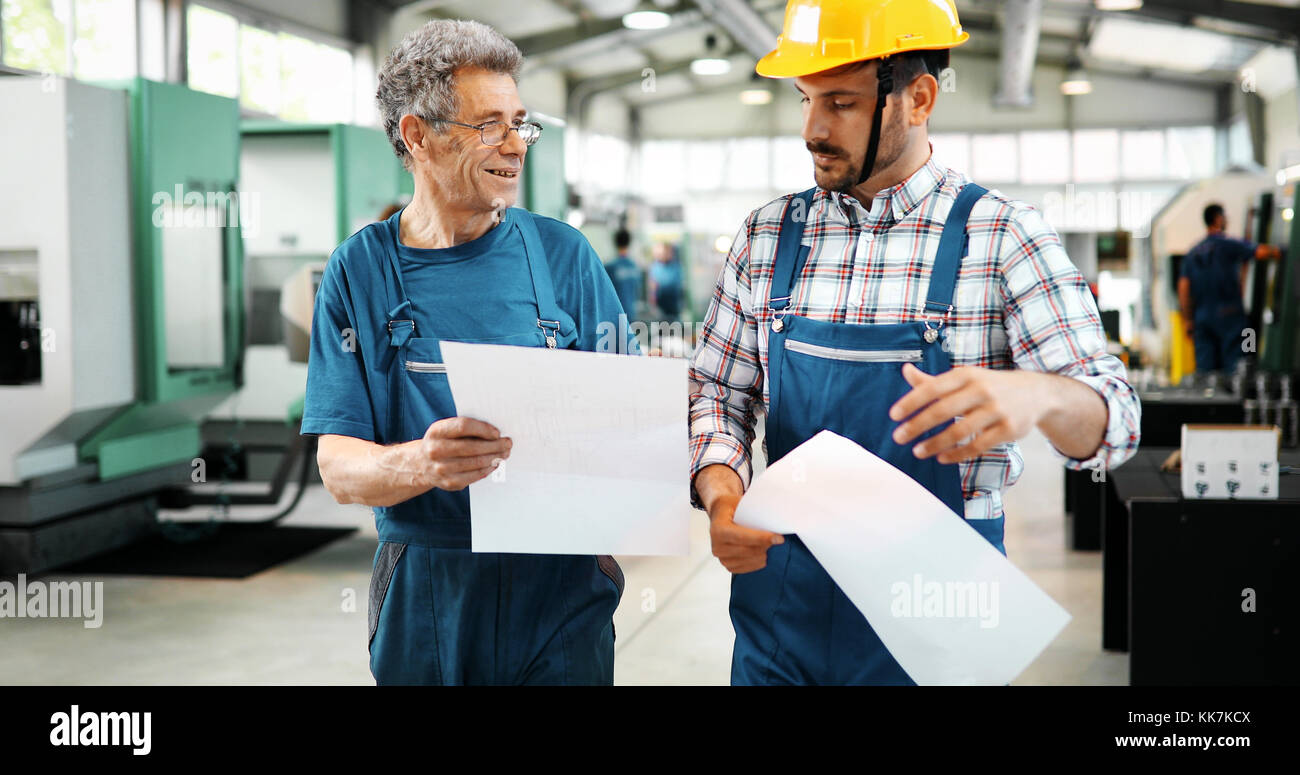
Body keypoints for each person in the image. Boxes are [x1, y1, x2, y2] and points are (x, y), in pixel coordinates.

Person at [688, 0, 1142, 685]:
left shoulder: (1002, 239)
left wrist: (1041, 395)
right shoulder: (766, 235)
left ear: (920, 97)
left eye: (840, 101)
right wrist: (722, 493)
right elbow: (720, 392)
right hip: (783, 614)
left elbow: (1116, 425)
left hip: (934, 622)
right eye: (806, 98)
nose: (813, 128)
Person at [302, 20, 632, 685]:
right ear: (418, 135)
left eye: (520, 123)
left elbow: (629, 430)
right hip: (428, 587)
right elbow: (339, 467)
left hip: (560, 583)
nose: (516, 146)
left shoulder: (562, 256)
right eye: (490, 125)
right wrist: (424, 461)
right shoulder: (361, 271)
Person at [1178, 203, 1281, 375]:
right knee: (1236, 366)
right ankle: (1236, 399)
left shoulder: (1193, 252)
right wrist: (1282, 250)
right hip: (1230, 315)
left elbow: (1183, 288)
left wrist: (1188, 320)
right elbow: (1262, 252)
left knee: (1205, 371)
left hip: (1202, 318)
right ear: (1218, 219)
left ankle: (1209, 400)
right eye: (1225, 216)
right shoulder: (1228, 244)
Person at [603, 228, 641, 319]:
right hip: (631, 314)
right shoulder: (634, 266)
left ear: (615, 243)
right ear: (629, 243)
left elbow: (604, 294)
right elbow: (637, 291)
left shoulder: (609, 266)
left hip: (614, 316)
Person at [648, 242, 683, 319]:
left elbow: (674, 283)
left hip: (673, 305)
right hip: (660, 305)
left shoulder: (675, 266)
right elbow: (652, 285)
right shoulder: (655, 267)